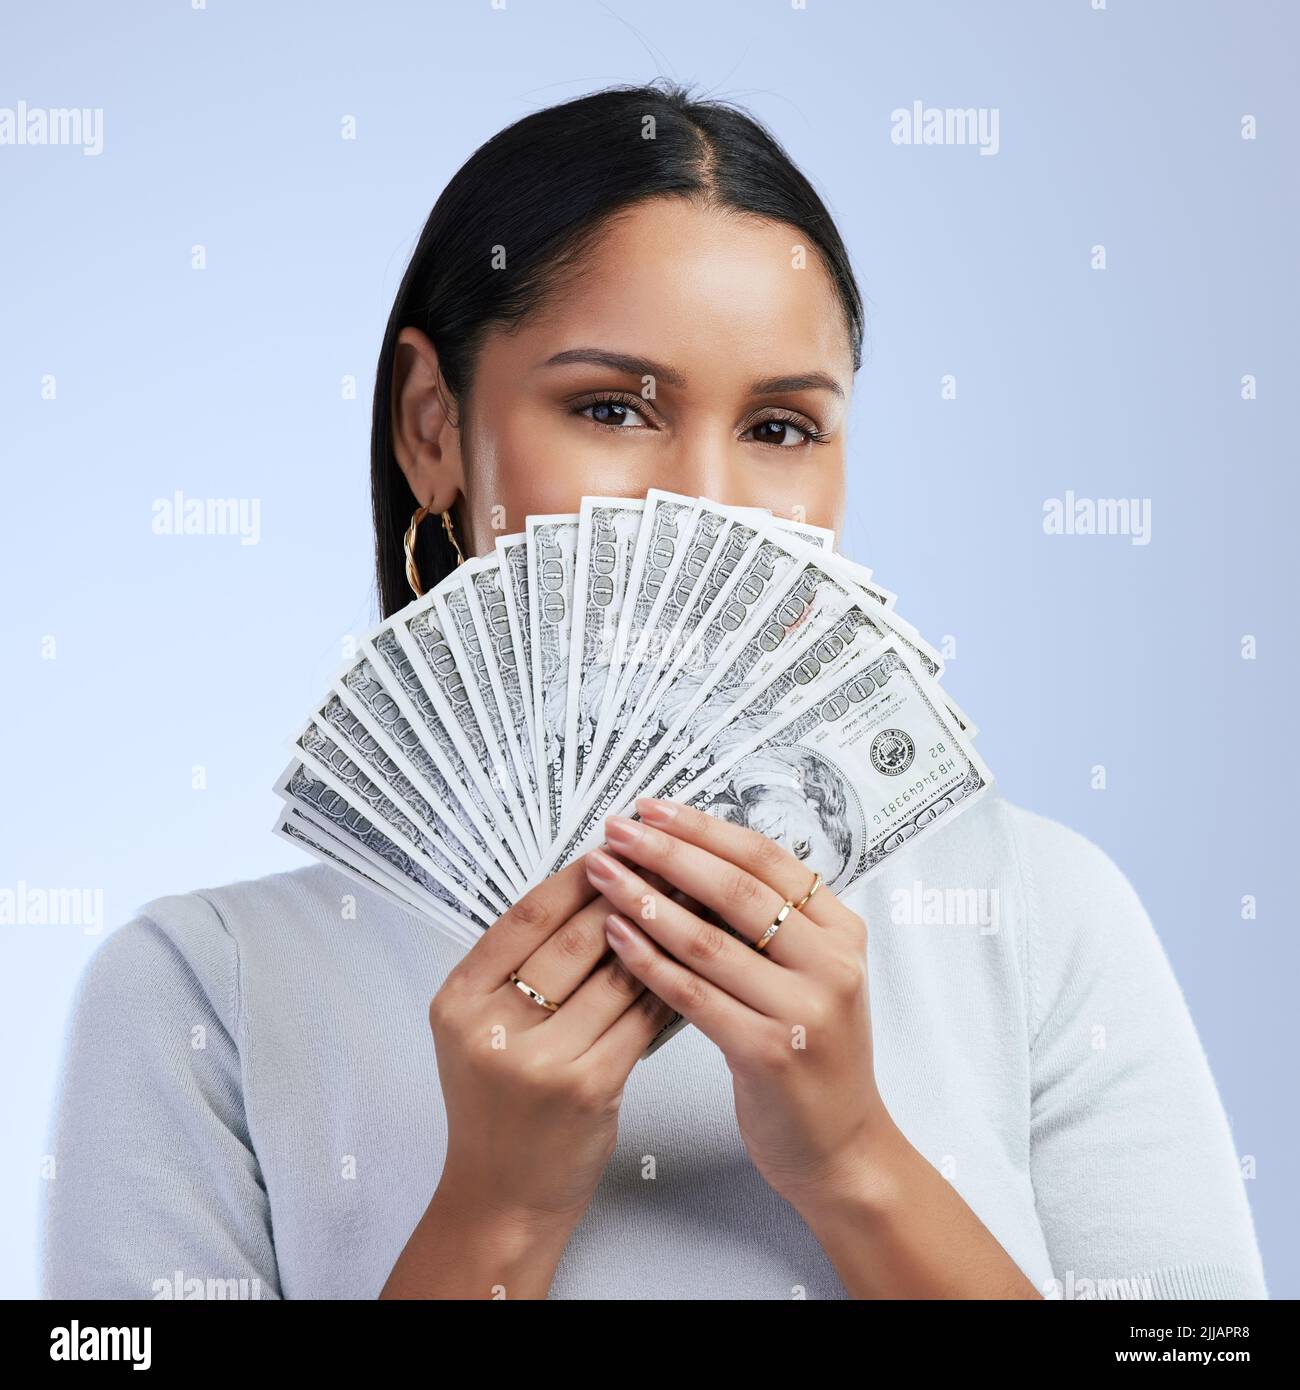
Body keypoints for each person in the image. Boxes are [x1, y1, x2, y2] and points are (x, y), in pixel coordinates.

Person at [40, 81, 1267, 1300]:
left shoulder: (1040, 916)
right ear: (431, 425)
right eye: (612, 408)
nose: (709, 506)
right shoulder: (203, 989)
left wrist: (856, 1163)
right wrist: (493, 1214)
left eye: (781, 428)